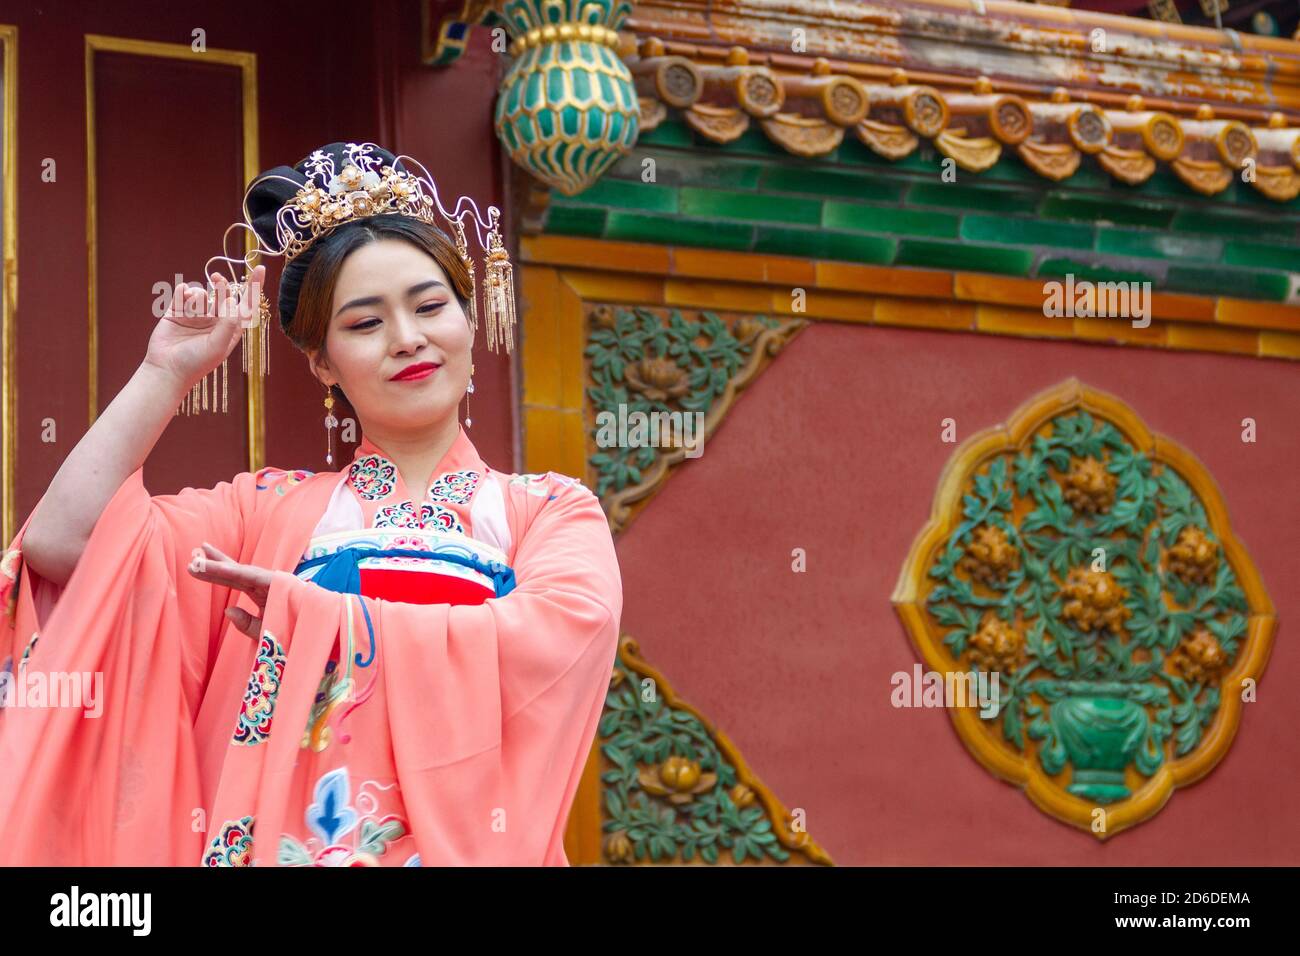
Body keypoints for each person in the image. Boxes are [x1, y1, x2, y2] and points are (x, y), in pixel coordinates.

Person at [0, 142, 622, 866]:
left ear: (469, 316)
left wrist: (314, 616)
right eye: (365, 324)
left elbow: (556, 646)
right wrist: (162, 373)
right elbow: (63, 542)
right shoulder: (264, 511)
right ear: (322, 362)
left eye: (429, 306)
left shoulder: (549, 511)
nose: (409, 338)